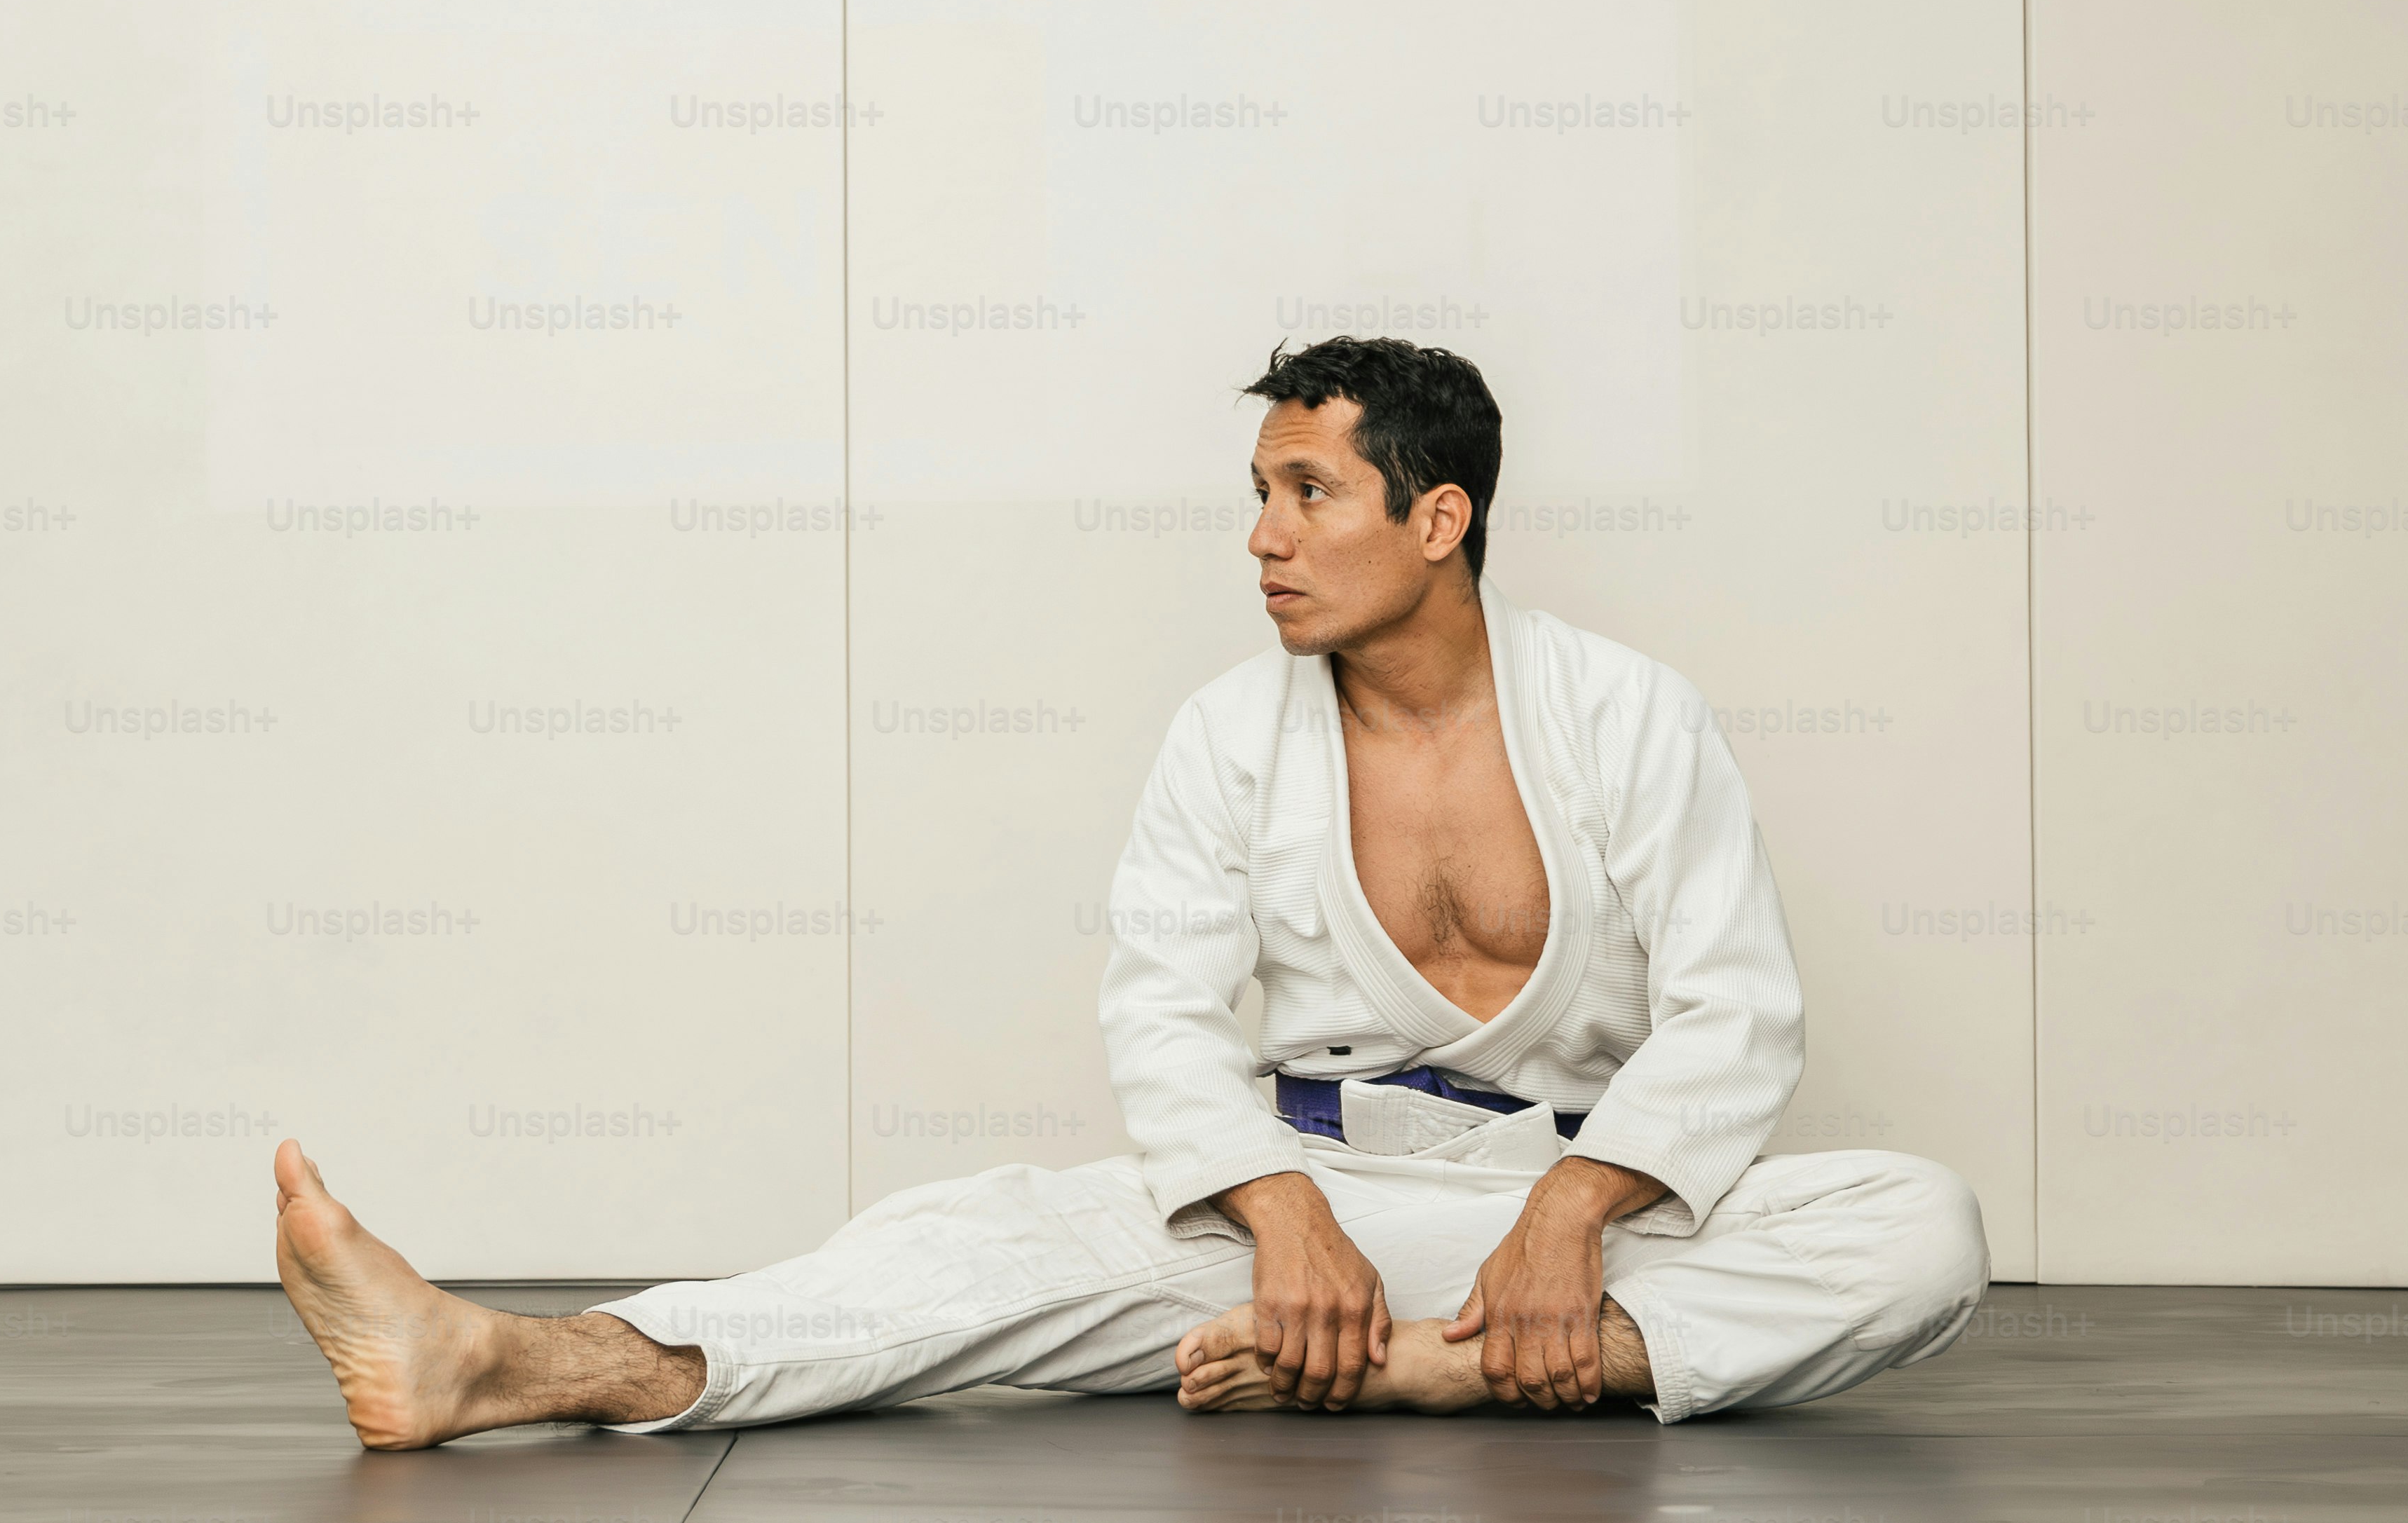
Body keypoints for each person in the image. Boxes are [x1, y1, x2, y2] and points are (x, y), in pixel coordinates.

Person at [268, 336, 1989, 1448]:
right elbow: (1161, 1015)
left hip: (1584, 1222)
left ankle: (1408, 1371)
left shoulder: (1625, 715)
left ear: (1440, 515)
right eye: (1259, 495)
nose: (1265, 537)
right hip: (1312, 1207)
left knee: (1920, 1228)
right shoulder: (1231, 736)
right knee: (960, 1249)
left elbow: (1739, 1008)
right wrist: (1281, 1214)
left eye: (1309, 492)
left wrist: (1568, 1216)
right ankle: (509, 1362)